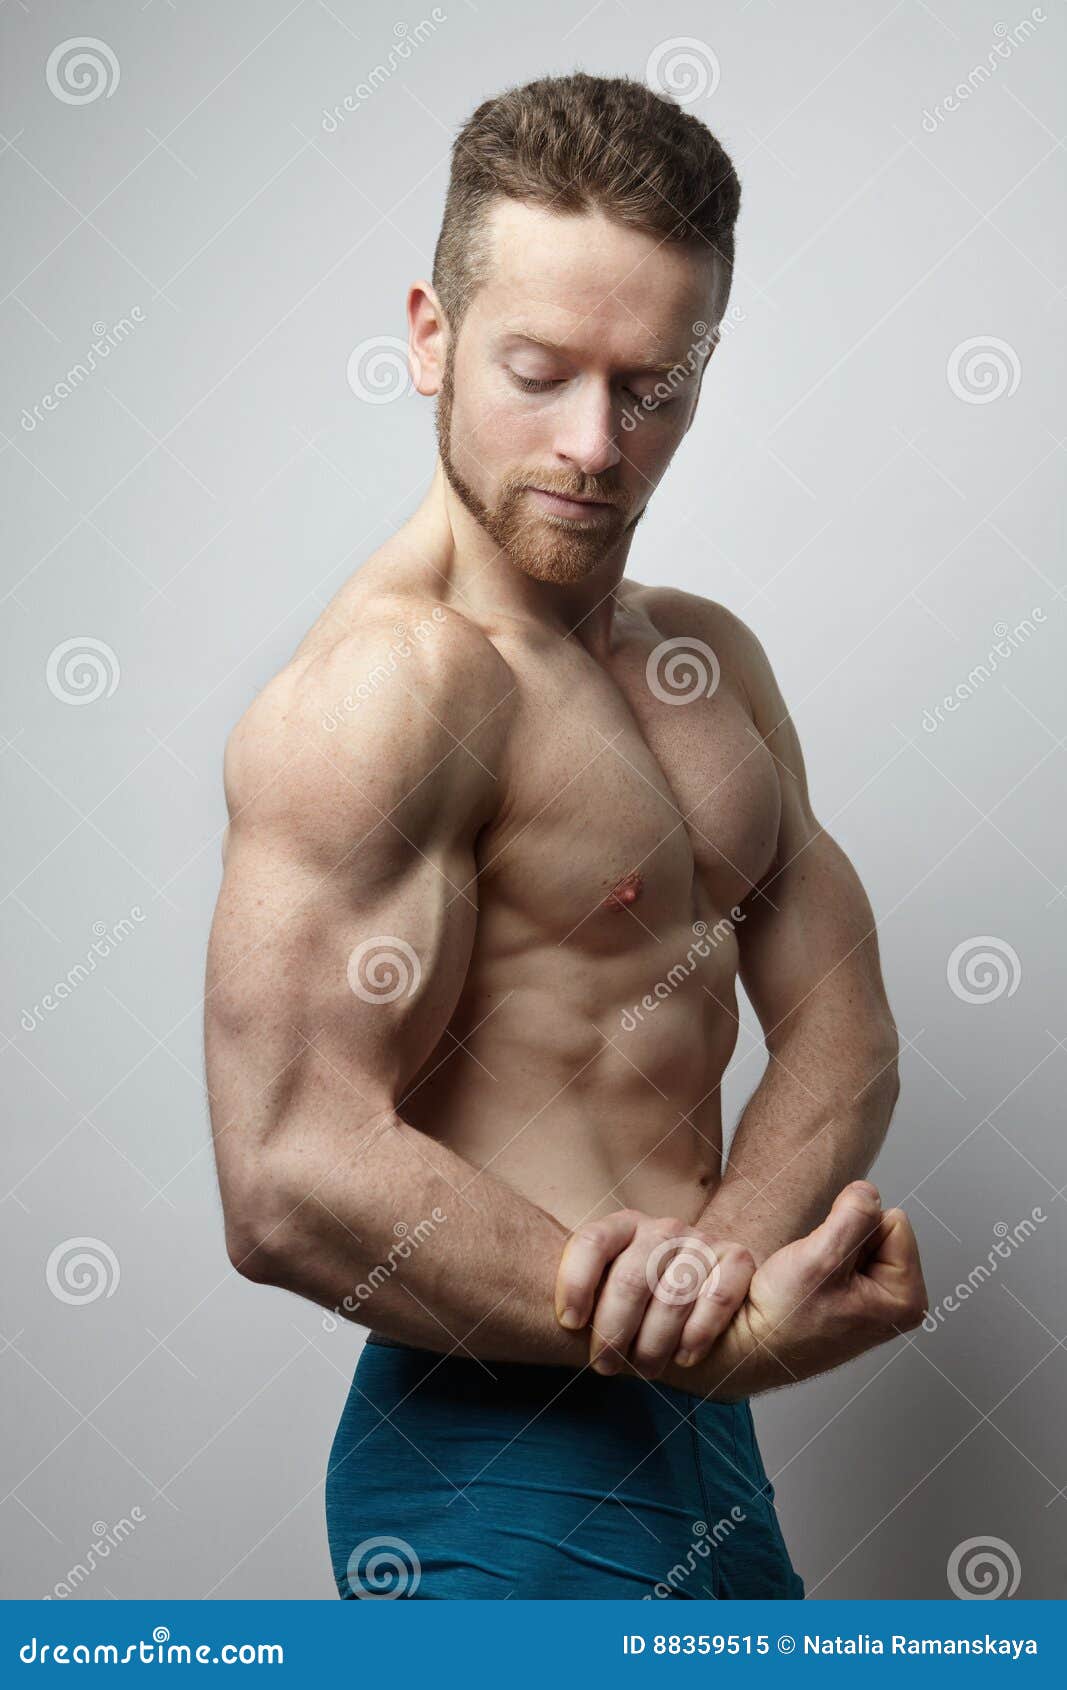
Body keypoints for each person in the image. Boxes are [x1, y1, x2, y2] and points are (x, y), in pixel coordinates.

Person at [204, 72, 927, 1600]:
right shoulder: (391, 690)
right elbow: (285, 1171)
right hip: (492, 1456)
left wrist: (713, 1274)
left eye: (651, 385)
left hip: (701, 1429)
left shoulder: (707, 666)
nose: (595, 443)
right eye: (538, 371)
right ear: (430, 334)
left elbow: (846, 1027)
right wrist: (693, 1325)